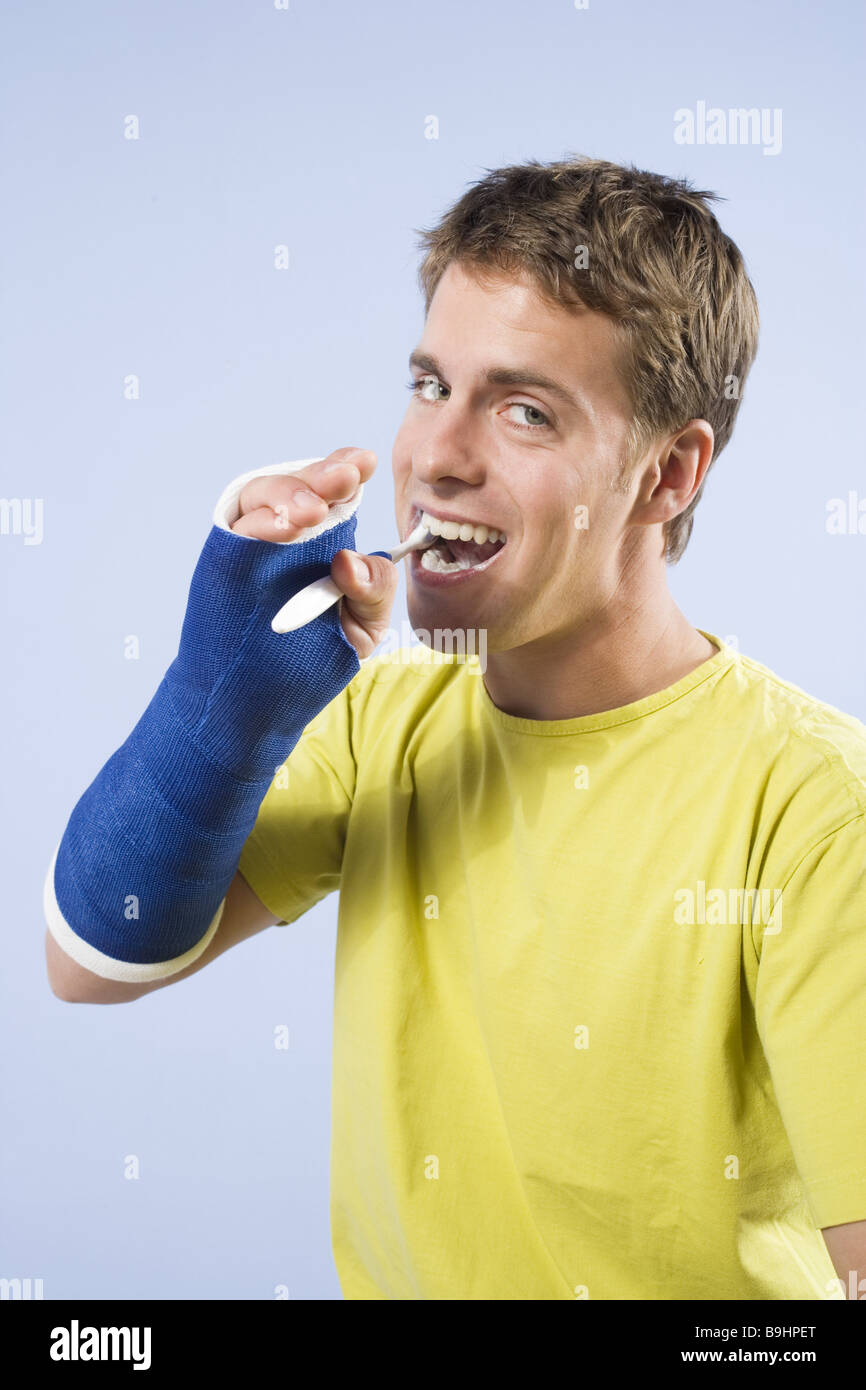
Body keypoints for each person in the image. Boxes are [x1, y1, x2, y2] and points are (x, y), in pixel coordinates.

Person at [44, 156, 866, 1301]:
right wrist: (217, 699)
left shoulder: (813, 808)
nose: (437, 455)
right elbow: (93, 961)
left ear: (667, 473)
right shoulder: (383, 719)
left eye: (523, 409)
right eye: (431, 383)